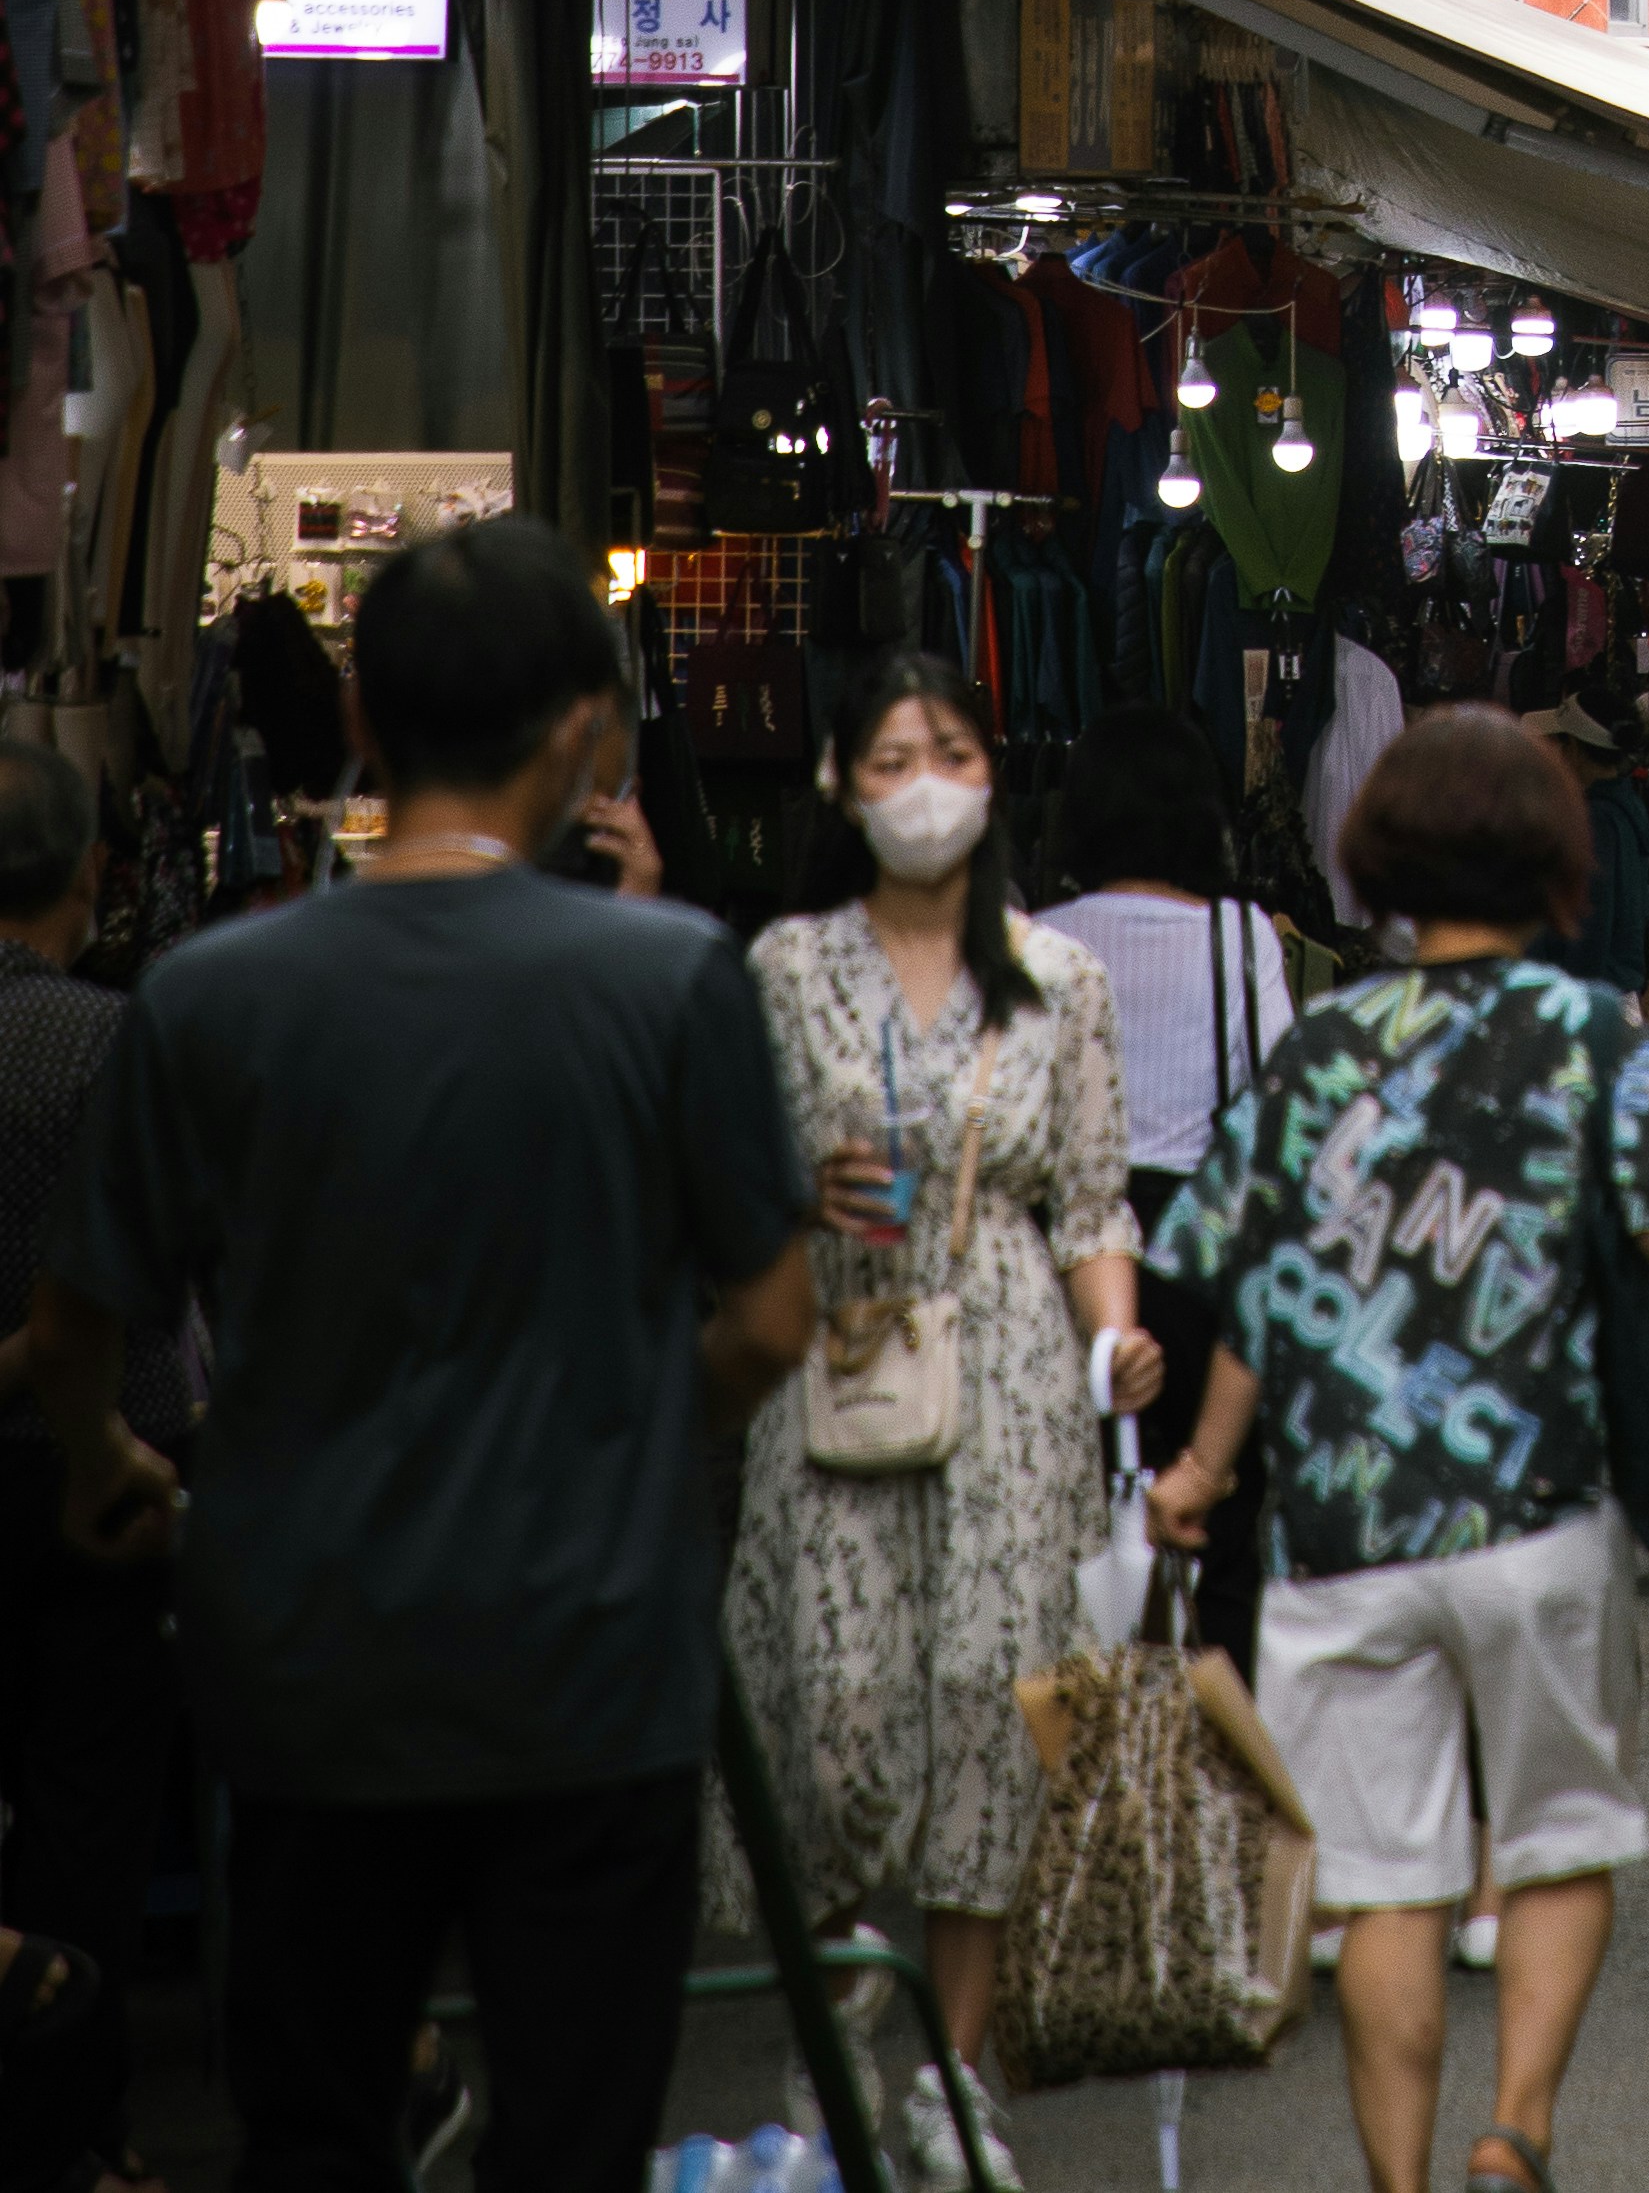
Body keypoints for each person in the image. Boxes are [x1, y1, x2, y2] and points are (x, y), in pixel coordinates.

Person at [27, 522, 814, 2193]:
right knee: (572, 2138)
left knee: (314, 2130)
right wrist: (629, 1443)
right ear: (586, 734)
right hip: (593, 1661)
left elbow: (83, 1310)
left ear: (362, 720)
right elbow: (766, 1317)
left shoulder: (212, 996)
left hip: (310, 1662)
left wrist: (107, 1463)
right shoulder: (673, 981)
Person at [1144, 710, 1649, 2193]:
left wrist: (1207, 1465)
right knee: (1552, 1838)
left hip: (1339, 1532)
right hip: (1536, 1510)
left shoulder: (1319, 1042)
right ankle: (1513, 2128)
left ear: (1381, 859)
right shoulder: (1589, 1027)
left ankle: (1400, 2178)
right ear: (1548, 856)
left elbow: (1241, 1278)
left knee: (1385, 1884)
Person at [727, 654, 1160, 2192]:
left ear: (993, 772)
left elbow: (1093, 1192)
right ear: (843, 779)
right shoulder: (781, 967)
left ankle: (955, 2072)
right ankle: (833, 2049)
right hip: (835, 1349)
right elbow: (719, 1185)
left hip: (1016, 1376)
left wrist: (1117, 1330)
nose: (925, 777)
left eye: (953, 747)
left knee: (991, 1703)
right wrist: (795, 1195)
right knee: (836, 1712)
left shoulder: (1061, 978)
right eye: (896, 751)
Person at [0, 727, 192, 2193]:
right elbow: (140, 1273)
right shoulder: (108, 1040)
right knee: (86, 1806)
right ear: (91, 871)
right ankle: (73, 2120)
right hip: (92, 1473)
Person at [1034, 703, 1295, 1668]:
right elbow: (1276, 1104)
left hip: (1068, 1247)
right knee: (1217, 1514)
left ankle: (1090, 1739)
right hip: (1203, 1247)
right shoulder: (1240, 937)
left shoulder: (1035, 936)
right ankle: (1216, 1754)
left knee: (1080, 1508)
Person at [1541, 692, 1649, 1020]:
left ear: (1572, 749)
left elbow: (1592, 922)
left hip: (1593, 1001)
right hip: (1612, 995)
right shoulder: (1626, 808)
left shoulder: (1598, 821)